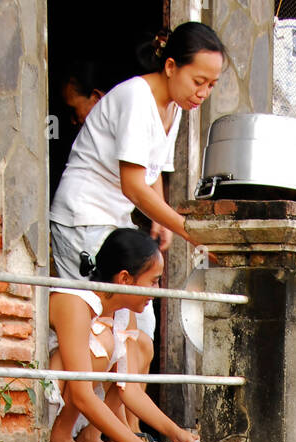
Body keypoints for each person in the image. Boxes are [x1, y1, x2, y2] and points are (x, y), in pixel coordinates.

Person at [49, 22, 226, 281]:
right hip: (83, 217)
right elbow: (132, 186)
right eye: (198, 81)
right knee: (101, 310)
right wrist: (189, 231)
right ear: (170, 67)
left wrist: (162, 219)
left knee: (136, 314)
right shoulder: (137, 98)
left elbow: (151, 171)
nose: (203, 93)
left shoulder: (175, 106)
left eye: (211, 85)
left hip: (114, 219)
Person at [47, 228, 200, 442]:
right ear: (125, 279)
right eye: (153, 281)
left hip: (79, 396)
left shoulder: (122, 313)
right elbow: (81, 395)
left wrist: (175, 432)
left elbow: (128, 388)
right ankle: (60, 438)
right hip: (48, 398)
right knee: (103, 342)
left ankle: (90, 436)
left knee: (140, 344)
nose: (157, 291)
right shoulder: (76, 303)